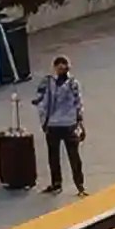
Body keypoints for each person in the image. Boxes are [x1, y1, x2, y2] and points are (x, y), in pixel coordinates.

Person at [32, 55, 87, 197]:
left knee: (63, 156)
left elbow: (40, 102)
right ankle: (77, 185)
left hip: (61, 125)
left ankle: (63, 184)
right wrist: (80, 121)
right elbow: (78, 103)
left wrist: (43, 121)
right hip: (62, 124)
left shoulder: (51, 82)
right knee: (64, 156)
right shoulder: (68, 83)